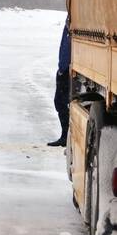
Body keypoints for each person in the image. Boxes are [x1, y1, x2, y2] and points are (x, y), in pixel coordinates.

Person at [48, 16, 71, 147]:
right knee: (61, 103)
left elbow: (66, 51)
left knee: (61, 102)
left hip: (66, 70)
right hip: (64, 69)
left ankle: (66, 136)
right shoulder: (69, 27)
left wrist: (63, 69)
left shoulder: (71, 28)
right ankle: (65, 135)